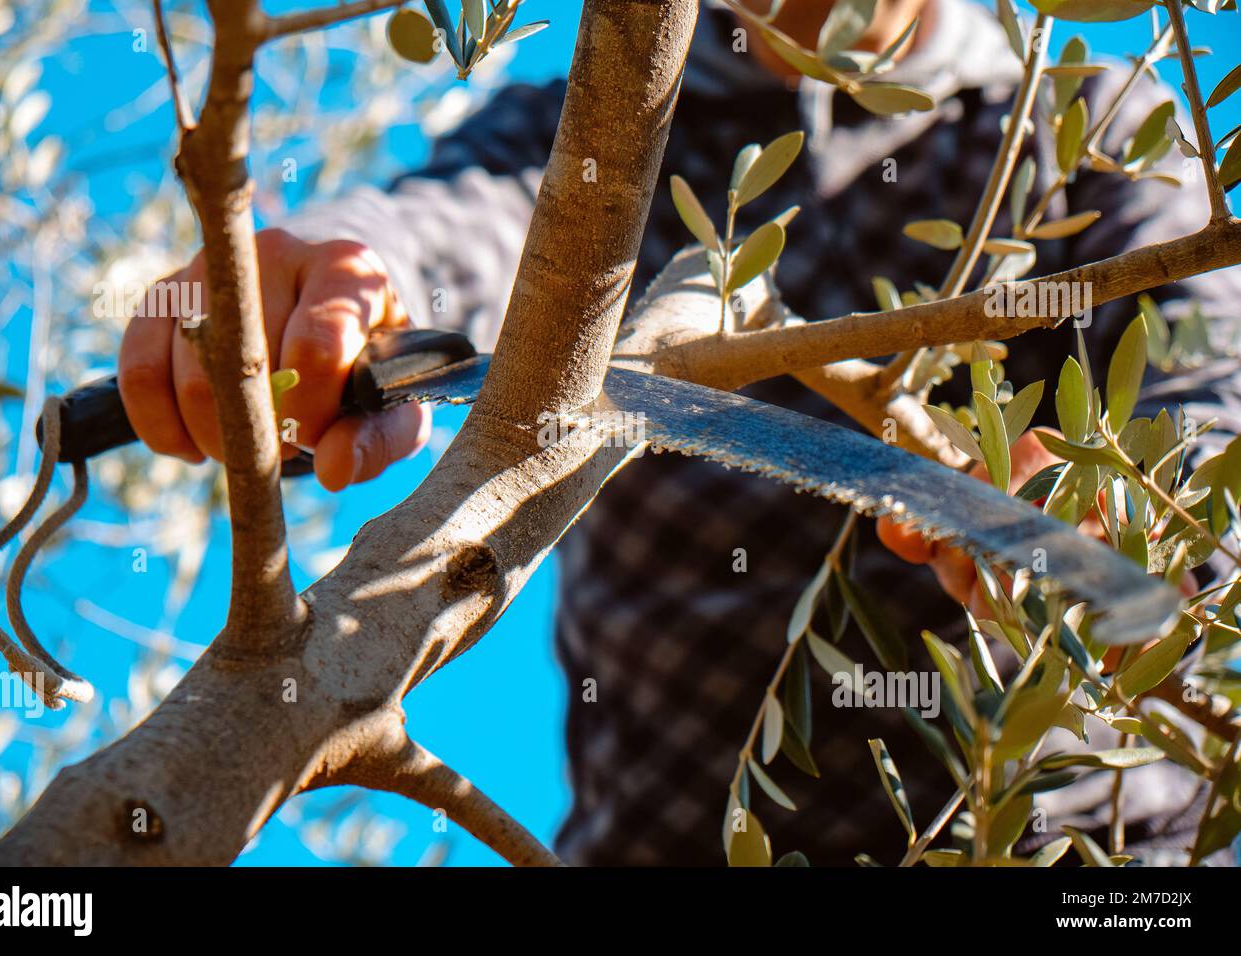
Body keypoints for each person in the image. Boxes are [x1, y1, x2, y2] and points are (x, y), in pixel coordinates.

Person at [118, 0, 1241, 865]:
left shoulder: (1086, 147)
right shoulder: (598, 122)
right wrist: (330, 273)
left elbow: (1211, 399)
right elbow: (451, 221)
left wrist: (1143, 506)